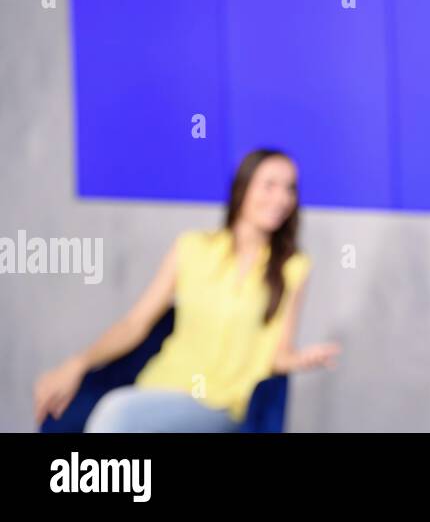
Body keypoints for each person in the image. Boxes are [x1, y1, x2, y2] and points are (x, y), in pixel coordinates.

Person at [34, 149, 341, 432]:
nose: (282, 198)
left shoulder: (293, 267)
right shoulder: (192, 248)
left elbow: (278, 355)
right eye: (270, 185)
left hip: (222, 403)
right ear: (243, 188)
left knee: (115, 416)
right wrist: (76, 364)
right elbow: (134, 325)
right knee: (111, 412)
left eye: (290, 188)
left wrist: (300, 360)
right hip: (162, 385)